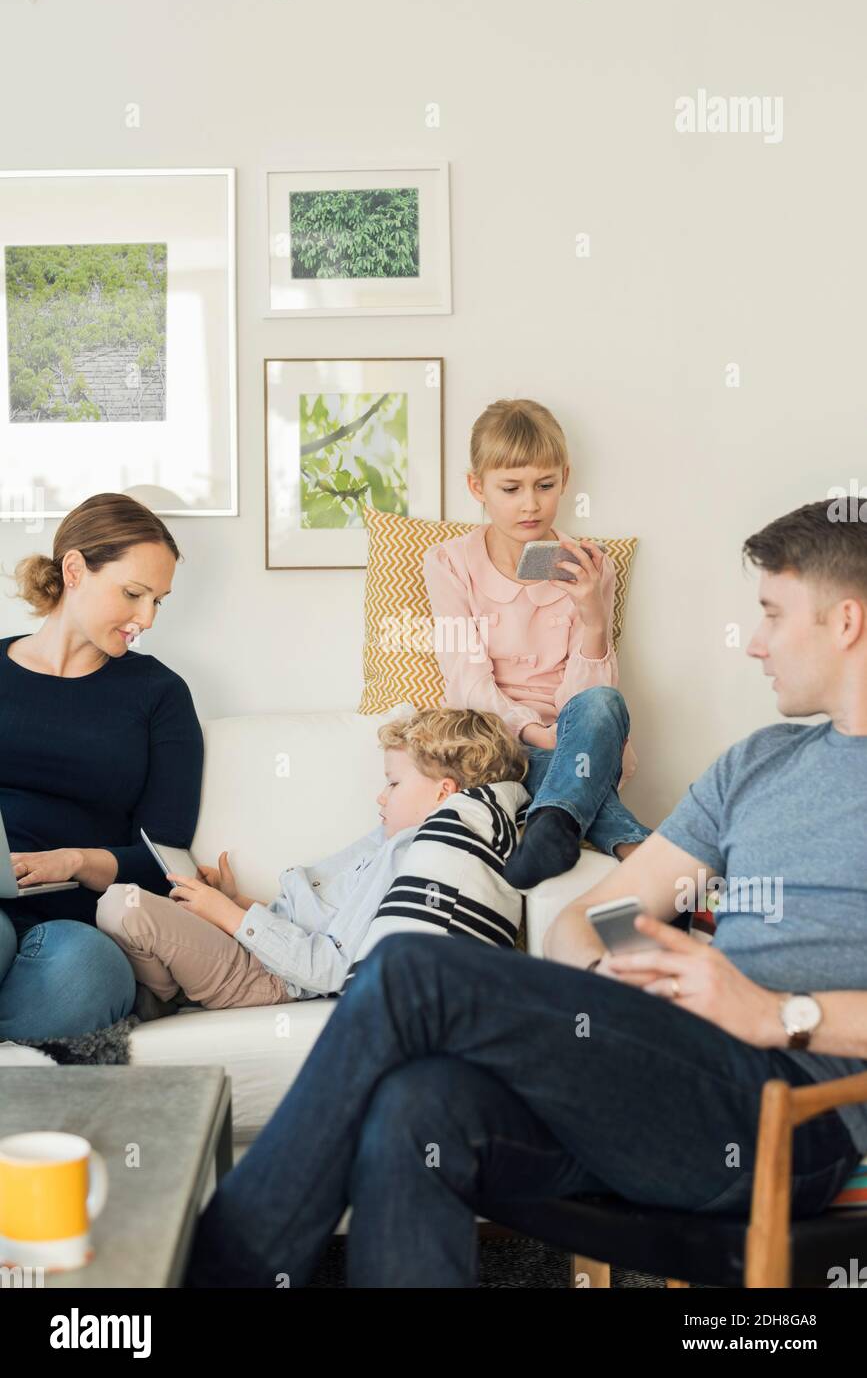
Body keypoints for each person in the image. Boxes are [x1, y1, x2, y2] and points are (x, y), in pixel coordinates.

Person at [183, 497, 867, 1289]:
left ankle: (216, 1278)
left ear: (845, 621)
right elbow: (591, 915)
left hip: (792, 1116)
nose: (752, 643)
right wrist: (636, 966)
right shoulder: (758, 764)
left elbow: (770, 1015)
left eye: (772, 615)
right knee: (417, 1106)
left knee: (411, 970)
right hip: (666, 1075)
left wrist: (776, 1013)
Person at [95, 708, 527, 1011]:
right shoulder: (388, 841)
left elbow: (328, 968)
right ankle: (165, 993)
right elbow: (315, 925)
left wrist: (227, 915)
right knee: (136, 906)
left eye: (393, 783)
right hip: (260, 947)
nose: (381, 796)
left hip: (271, 975)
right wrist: (237, 902)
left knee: (121, 906)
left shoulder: (411, 856)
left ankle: (167, 999)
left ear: (443, 793)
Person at [421, 397, 651, 889]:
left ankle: (554, 825)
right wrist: (533, 733)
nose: (530, 504)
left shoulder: (592, 566)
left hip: (576, 733)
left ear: (564, 479)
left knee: (604, 703)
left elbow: (591, 700)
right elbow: (465, 680)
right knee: (560, 759)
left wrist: (592, 614)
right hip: (492, 734)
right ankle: (639, 853)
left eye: (545, 486)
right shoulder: (448, 563)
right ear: (477, 486)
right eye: (511, 488)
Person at [0, 493, 204, 1040]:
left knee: (89, 977)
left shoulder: (159, 694)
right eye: (134, 594)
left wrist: (72, 861)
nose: (147, 619)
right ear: (74, 571)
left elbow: (166, 856)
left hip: (79, 924)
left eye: (158, 601)